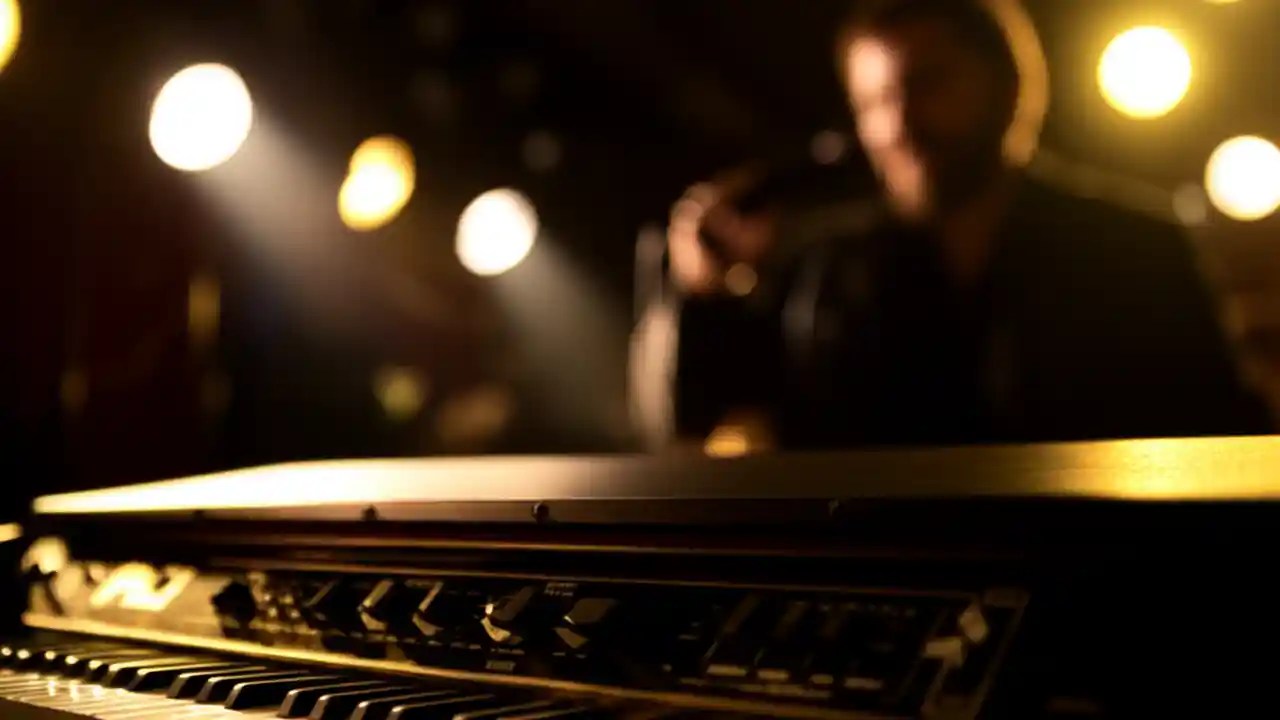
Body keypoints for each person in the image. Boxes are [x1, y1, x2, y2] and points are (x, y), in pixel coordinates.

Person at [631, 0, 1270, 450]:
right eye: (875, 101)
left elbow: (1222, 436)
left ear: (1009, 87)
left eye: (927, 84)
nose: (899, 124)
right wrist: (702, 294)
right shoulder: (827, 273)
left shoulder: (1138, 245)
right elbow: (694, 431)